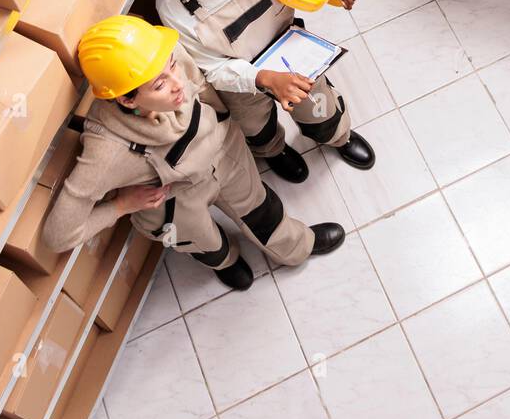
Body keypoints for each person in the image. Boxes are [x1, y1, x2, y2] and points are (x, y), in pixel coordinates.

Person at [42, 15, 345, 291]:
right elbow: (58, 235)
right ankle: (224, 262)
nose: (178, 85)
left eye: (171, 67)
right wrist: (120, 206)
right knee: (204, 241)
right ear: (127, 101)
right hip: (177, 201)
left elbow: (204, 93)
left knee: (260, 208)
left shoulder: (168, 58)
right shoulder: (106, 152)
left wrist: (224, 130)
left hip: (224, 153)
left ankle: (297, 248)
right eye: (160, 85)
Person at [152, 0, 375, 184]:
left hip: (290, 48)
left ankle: (338, 137)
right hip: (240, 77)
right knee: (257, 128)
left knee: (319, 106)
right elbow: (214, 68)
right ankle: (275, 151)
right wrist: (265, 79)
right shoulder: (172, 4)